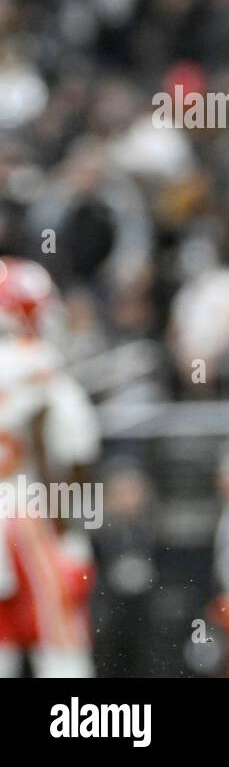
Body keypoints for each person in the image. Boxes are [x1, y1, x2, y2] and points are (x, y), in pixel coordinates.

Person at [0, 257, 100, 678]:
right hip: (29, 516)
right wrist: (68, 528)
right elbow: (73, 454)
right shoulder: (38, 363)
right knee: (61, 652)